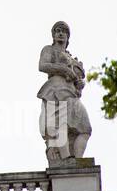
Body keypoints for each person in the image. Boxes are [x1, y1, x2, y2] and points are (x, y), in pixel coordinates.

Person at [36, 21, 91, 164]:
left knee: (85, 129)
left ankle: (78, 161)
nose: (60, 33)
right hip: (55, 90)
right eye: (57, 31)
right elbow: (42, 66)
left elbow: (78, 84)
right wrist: (64, 70)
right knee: (61, 124)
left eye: (64, 31)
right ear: (53, 35)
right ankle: (66, 158)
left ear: (68, 37)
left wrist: (79, 85)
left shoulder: (72, 58)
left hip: (72, 94)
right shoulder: (49, 49)